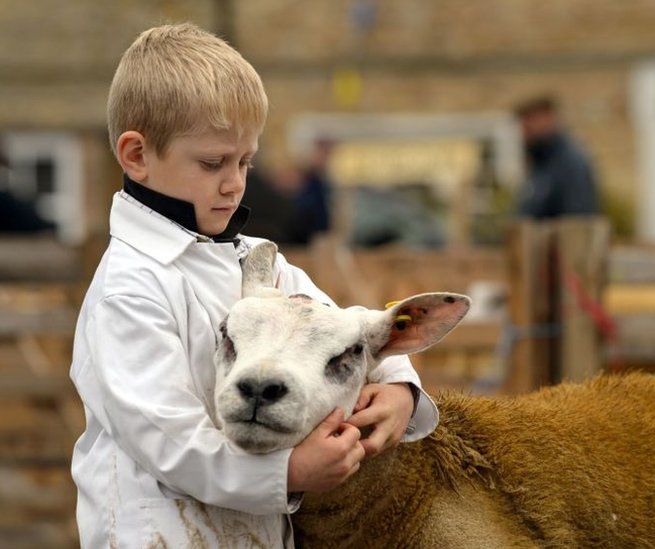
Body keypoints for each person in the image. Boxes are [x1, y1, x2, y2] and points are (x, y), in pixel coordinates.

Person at [69, 23, 437, 548]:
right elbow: (166, 438)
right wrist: (287, 473)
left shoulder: (254, 261)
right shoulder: (129, 289)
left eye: (245, 161)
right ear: (136, 156)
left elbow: (340, 326)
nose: (235, 182)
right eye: (213, 162)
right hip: (158, 535)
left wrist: (400, 385)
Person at [514, 95, 600, 219]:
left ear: (548, 118)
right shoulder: (540, 161)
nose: (524, 130)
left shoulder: (570, 163)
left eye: (529, 121)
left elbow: (578, 220)